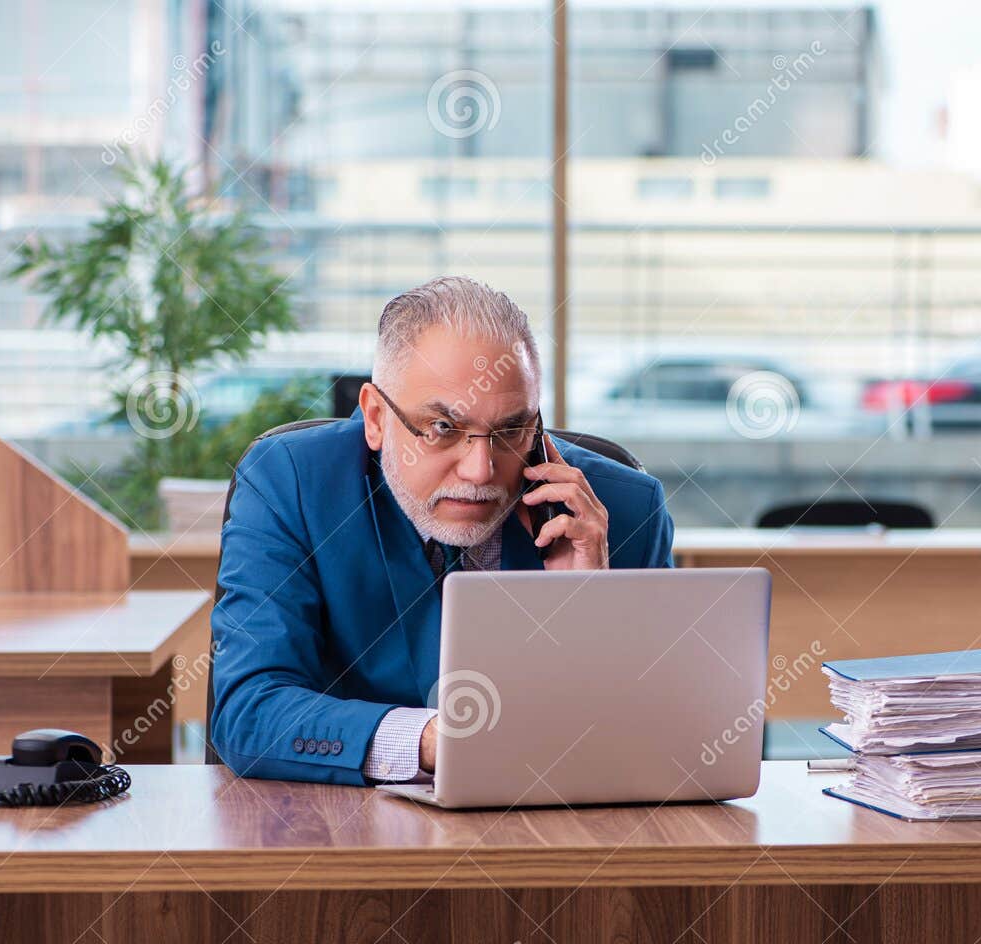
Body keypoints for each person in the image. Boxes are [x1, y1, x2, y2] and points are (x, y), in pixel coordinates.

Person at [209, 275, 675, 784]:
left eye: (511, 430)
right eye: (442, 429)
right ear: (375, 417)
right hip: (338, 834)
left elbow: (665, 739)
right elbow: (248, 712)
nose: (480, 470)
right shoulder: (290, 482)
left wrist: (585, 609)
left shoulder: (623, 510)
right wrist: (436, 741)